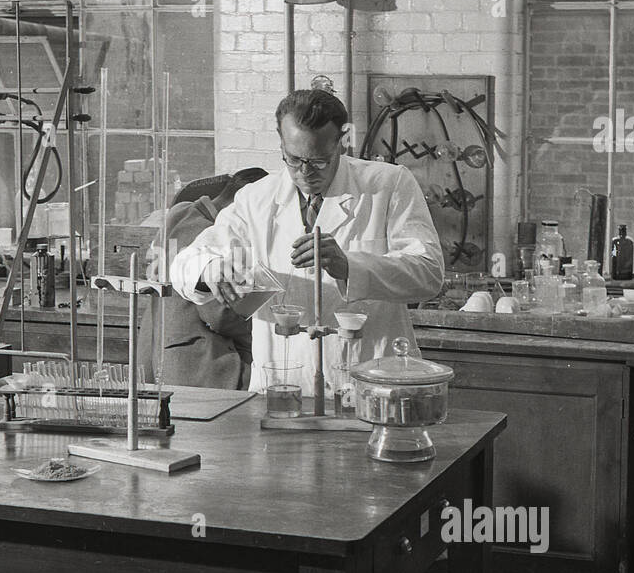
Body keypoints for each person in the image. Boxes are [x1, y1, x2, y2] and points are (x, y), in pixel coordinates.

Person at [170, 86, 445, 393]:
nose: (304, 173)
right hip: (282, 385)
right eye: (293, 159)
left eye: (319, 162)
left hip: (369, 381)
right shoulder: (255, 199)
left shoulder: (388, 185)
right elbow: (185, 263)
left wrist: (348, 266)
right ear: (281, 144)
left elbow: (429, 272)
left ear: (340, 143)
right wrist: (209, 270)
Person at [138, 168, 267, 390]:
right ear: (240, 204)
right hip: (202, 366)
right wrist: (263, 326)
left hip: (158, 354)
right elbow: (220, 314)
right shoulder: (209, 238)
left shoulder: (178, 213)